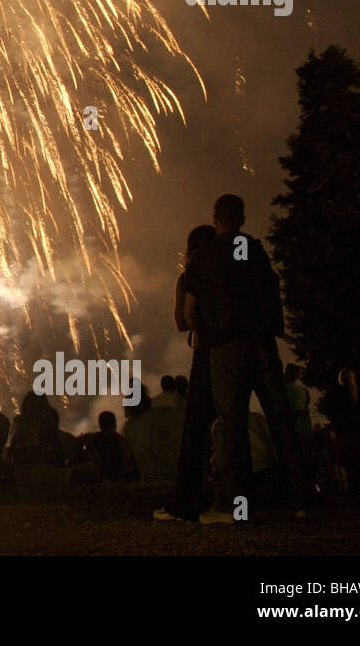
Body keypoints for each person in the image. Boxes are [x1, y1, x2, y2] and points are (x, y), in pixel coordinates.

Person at [183, 195, 309, 523]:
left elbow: (189, 311)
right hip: (262, 344)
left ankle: (232, 506)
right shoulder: (252, 250)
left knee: (231, 424)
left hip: (226, 348)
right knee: (280, 419)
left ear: (216, 218)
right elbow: (268, 288)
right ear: (241, 217)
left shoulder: (203, 257)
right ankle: (301, 500)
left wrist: (207, 334)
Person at [155, 224, 217, 522]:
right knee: (231, 427)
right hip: (242, 354)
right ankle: (236, 499)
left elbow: (183, 321)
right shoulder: (236, 270)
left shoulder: (191, 274)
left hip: (206, 353)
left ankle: (186, 502)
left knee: (195, 431)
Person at [79, 411, 129, 481]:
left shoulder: (91, 438)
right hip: (118, 479)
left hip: (99, 480)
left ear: (100, 424)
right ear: (114, 423)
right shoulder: (122, 440)